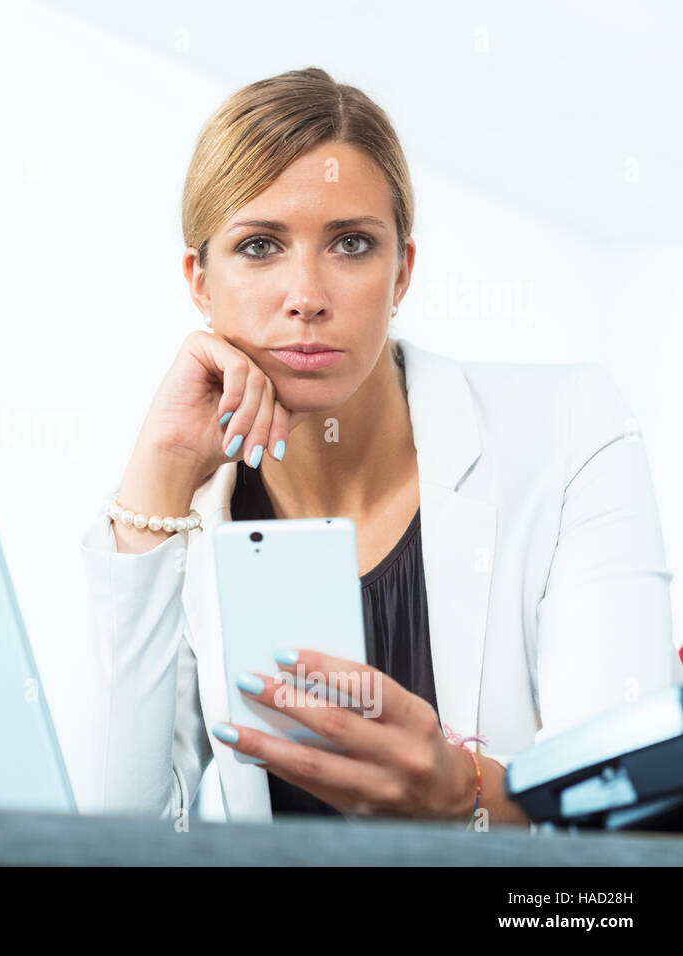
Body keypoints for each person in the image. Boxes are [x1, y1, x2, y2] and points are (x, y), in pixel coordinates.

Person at [78, 67, 683, 827]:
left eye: (351, 244)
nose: (306, 294)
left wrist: (466, 795)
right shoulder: (184, 516)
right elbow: (112, 838)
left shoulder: (571, 433)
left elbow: (631, 820)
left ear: (402, 270)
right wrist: (155, 485)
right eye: (260, 245)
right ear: (201, 283)